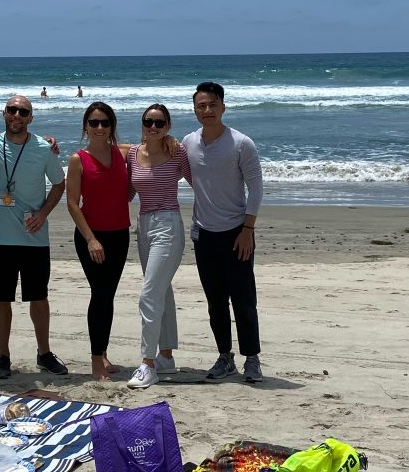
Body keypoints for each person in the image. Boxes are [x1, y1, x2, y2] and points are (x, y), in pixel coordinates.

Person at [182, 81, 265, 384]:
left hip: (236, 233)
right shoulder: (189, 142)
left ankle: (252, 359)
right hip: (204, 234)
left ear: (223, 107)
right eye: (201, 106)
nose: (207, 110)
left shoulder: (242, 143)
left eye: (212, 104)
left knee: (244, 300)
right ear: (195, 110)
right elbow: (157, 153)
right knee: (215, 301)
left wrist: (248, 228)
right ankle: (224, 357)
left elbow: (256, 189)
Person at [0, 94, 69, 379]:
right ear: (3, 113)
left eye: (23, 111)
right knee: (1, 298)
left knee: (39, 297)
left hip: (34, 237)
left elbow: (59, 184)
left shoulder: (43, 149)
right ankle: (3, 356)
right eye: (12, 110)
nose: (16, 115)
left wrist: (43, 213)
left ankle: (44, 353)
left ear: (31, 117)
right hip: (0, 239)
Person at [125, 105, 191, 390]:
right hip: (144, 225)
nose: (153, 127)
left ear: (168, 125)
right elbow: (127, 192)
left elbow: (200, 182)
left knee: (149, 294)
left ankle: (147, 364)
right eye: (148, 122)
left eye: (159, 122)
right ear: (142, 124)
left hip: (169, 224)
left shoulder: (178, 152)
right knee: (162, 290)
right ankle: (166, 357)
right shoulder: (132, 155)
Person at [65, 102, 132, 382]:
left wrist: (171, 141)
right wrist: (91, 239)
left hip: (120, 234)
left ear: (112, 126)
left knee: (109, 296)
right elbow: (71, 203)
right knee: (100, 294)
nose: (100, 127)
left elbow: (156, 147)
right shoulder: (78, 159)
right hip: (91, 237)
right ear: (86, 126)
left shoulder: (125, 153)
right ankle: (95, 361)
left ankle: (103, 353)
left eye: (105, 122)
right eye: (94, 123)